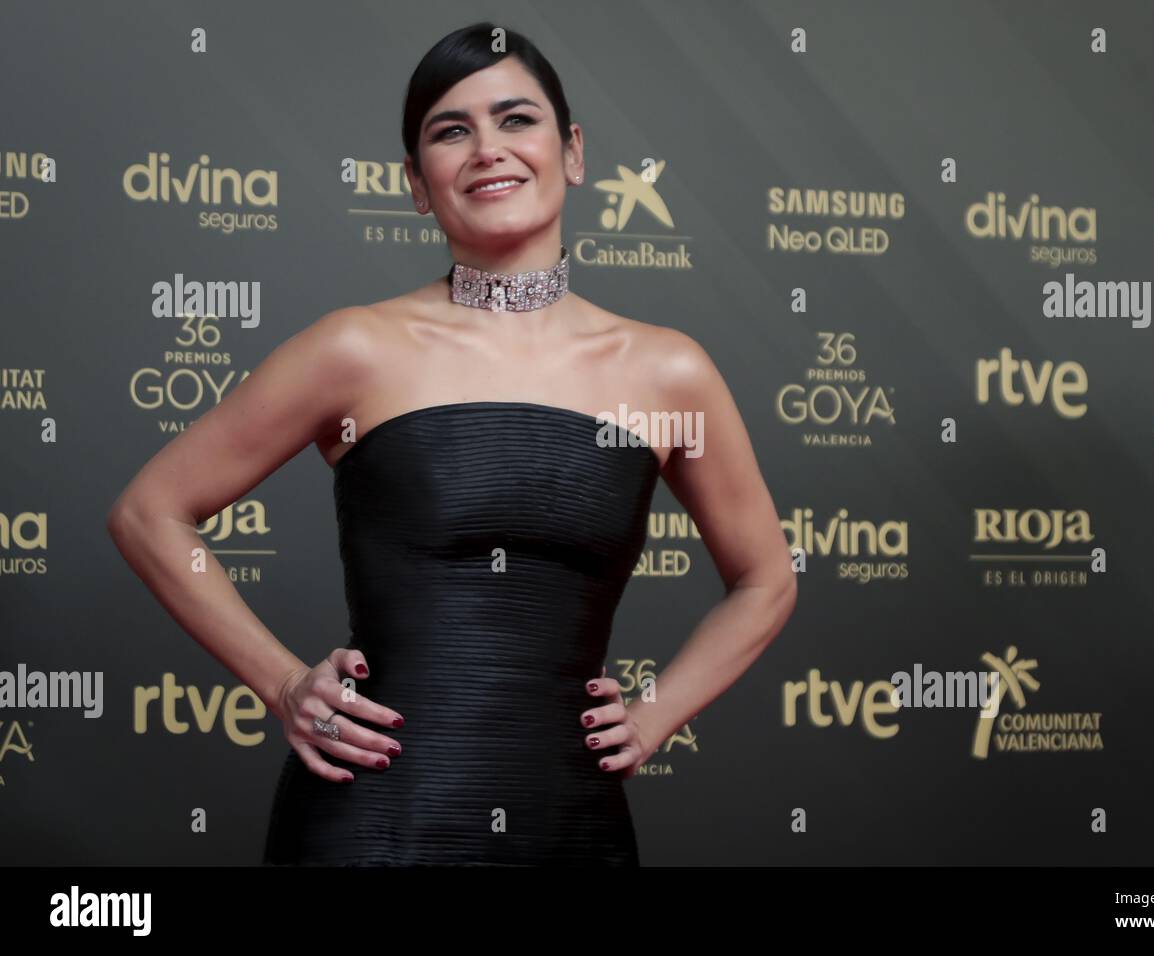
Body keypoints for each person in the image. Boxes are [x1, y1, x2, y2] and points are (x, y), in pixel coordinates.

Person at [106, 21, 796, 866]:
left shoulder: (668, 373)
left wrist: (653, 717)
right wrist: (284, 685)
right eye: (451, 131)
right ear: (415, 183)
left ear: (573, 151)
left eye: (517, 119)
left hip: (570, 823)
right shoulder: (355, 349)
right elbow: (150, 513)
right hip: (371, 821)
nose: (487, 149)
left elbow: (765, 579)